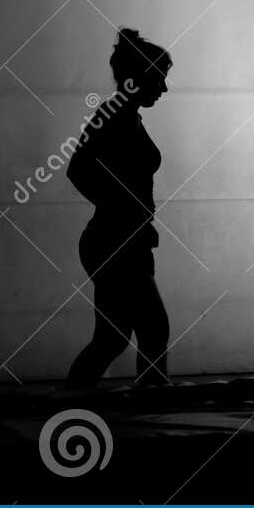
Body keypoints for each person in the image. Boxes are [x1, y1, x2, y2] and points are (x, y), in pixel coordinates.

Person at [65, 28, 173, 387]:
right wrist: (125, 214)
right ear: (139, 77)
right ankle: (152, 409)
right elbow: (78, 169)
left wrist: (133, 219)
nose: (164, 88)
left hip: (123, 240)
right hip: (114, 241)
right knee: (153, 328)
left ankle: (72, 400)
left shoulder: (126, 117)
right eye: (159, 78)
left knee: (112, 338)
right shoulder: (113, 116)